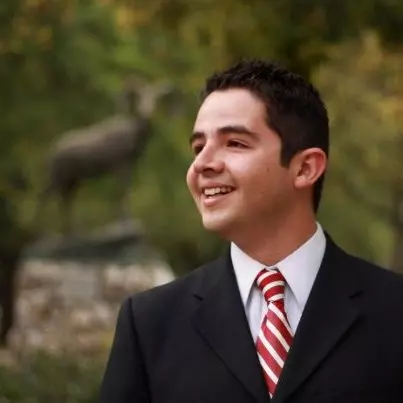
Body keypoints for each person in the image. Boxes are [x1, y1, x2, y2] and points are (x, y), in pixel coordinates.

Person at [99, 59, 403, 403]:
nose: (202, 164)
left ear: (305, 168)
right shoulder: (149, 323)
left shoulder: (394, 312)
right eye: (198, 147)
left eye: (235, 144)